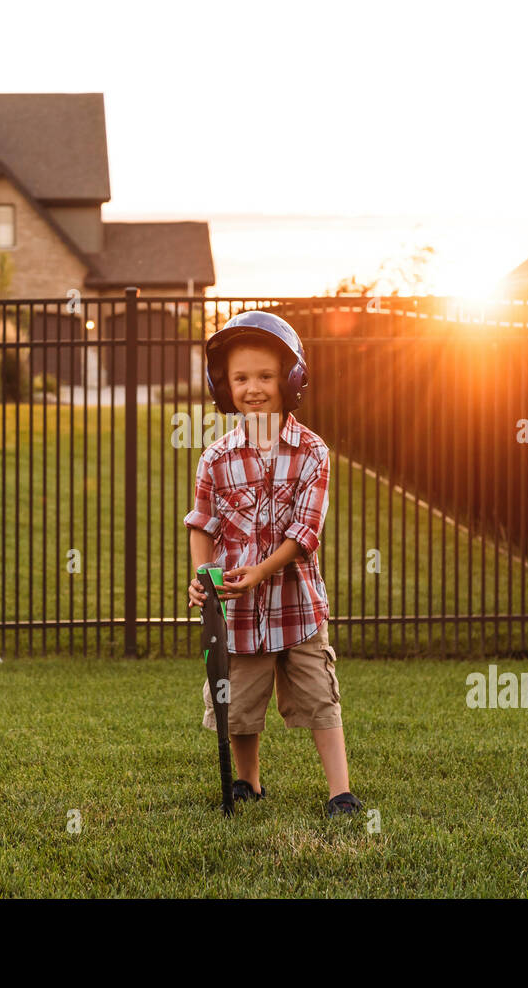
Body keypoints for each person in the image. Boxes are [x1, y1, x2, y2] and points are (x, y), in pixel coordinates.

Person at [183, 311, 363, 817]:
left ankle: (340, 791)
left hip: (297, 607)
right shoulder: (216, 457)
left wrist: (261, 572)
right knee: (239, 702)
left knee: (319, 696)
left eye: (265, 376)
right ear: (224, 386)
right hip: (237, 613)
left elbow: (305, 533)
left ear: (291, 380)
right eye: (241, 378)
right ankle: (248, 781)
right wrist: (204, 579)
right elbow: (203, 523)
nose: (253, 388)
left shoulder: (312, 453)